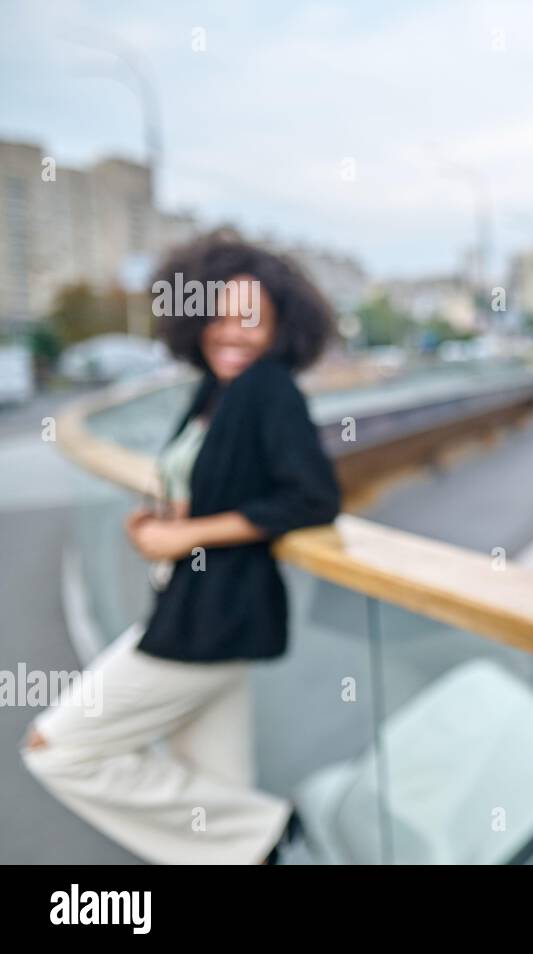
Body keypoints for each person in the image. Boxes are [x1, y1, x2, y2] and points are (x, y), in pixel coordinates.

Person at [21, 233, 341, 864]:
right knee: (210, 796)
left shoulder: (268, 388)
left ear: (282, 330)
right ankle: (249, 842)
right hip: (204, 613)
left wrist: (187, 534)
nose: (234, 336)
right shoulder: (212, 391)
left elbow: (311, 498)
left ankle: (263, 830)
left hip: (209, 623)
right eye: (220, 317)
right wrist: (162, 520)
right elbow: (218, 481)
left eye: (254, 323)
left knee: (58, 749)